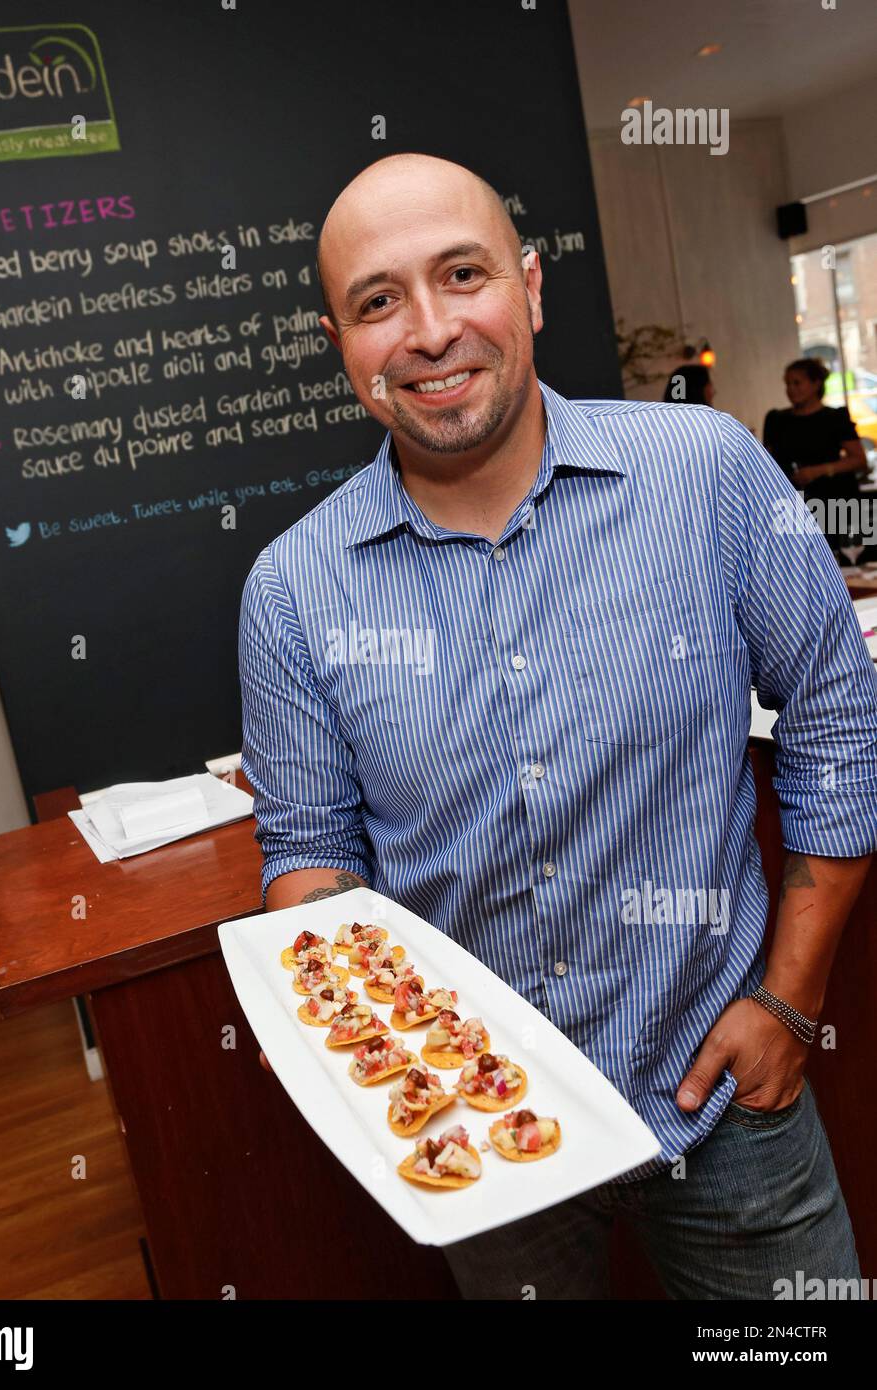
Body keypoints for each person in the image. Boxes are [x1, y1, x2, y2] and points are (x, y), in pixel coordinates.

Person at [238, 153, 877, 1299]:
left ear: (528, 289)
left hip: (724, 1096)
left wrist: (789, 996)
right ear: (341, 343)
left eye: (462, 275)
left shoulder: (709, 475)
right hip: (475, 1139)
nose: (429, 330)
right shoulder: (290, 592)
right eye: (378, 301)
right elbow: (308, 852)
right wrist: (358, 1022)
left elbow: (836, 709)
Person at [763, 358, 868, 562]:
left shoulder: (834, 417)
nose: (791, 389)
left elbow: (858, 460)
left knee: (848, 562)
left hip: (835, 501)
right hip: (794, 505)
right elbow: (768, 461)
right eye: (787, 384)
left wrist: (817, 471)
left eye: (797, 383)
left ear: (816, 384)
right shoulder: (777, 419)